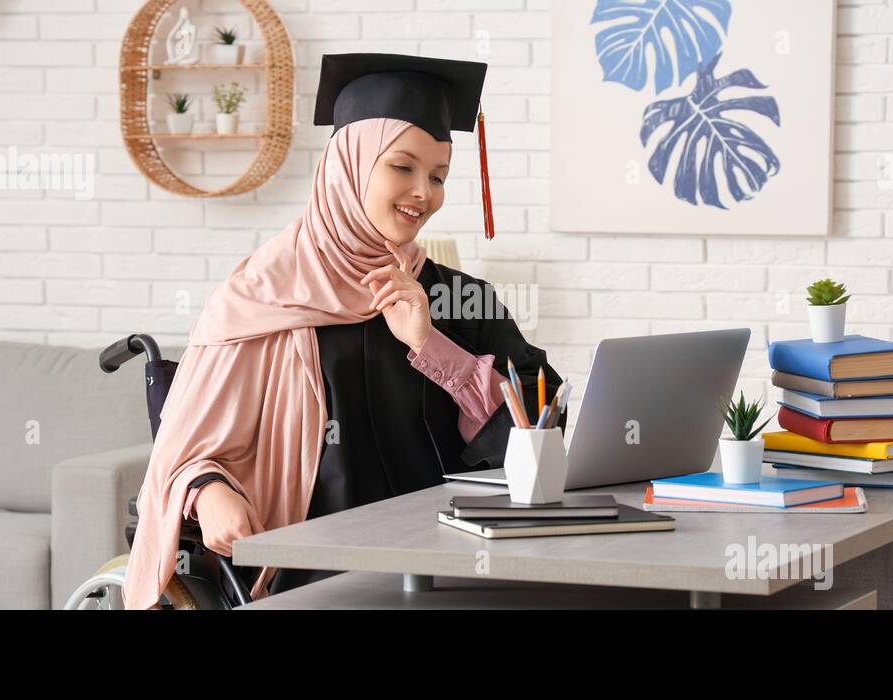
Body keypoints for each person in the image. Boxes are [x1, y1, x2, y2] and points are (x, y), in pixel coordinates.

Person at [122, 53, 563, 609]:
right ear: (348, 166)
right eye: (402, 167)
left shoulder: (460, 298)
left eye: (439, 175)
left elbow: (547, 427)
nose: (423, 192)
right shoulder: (260, 298)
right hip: (322, 572)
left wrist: (432, 346)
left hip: (458, 559)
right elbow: (184, 455)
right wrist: (208, 494)